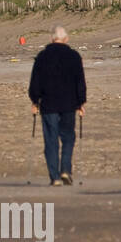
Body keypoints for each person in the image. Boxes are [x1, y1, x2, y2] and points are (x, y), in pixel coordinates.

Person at [28, 25, 87, 186]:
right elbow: (80, 82)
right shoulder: (74, 56)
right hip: (69, 104)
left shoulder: (42, 56)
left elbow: (35, 82)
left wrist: (35, 100)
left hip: (48, 104)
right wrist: (81, 102)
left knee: (51, 140)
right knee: (68, 137)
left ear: (51, 39)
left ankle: (55, 177)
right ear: (66, 39)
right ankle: (65, 170)